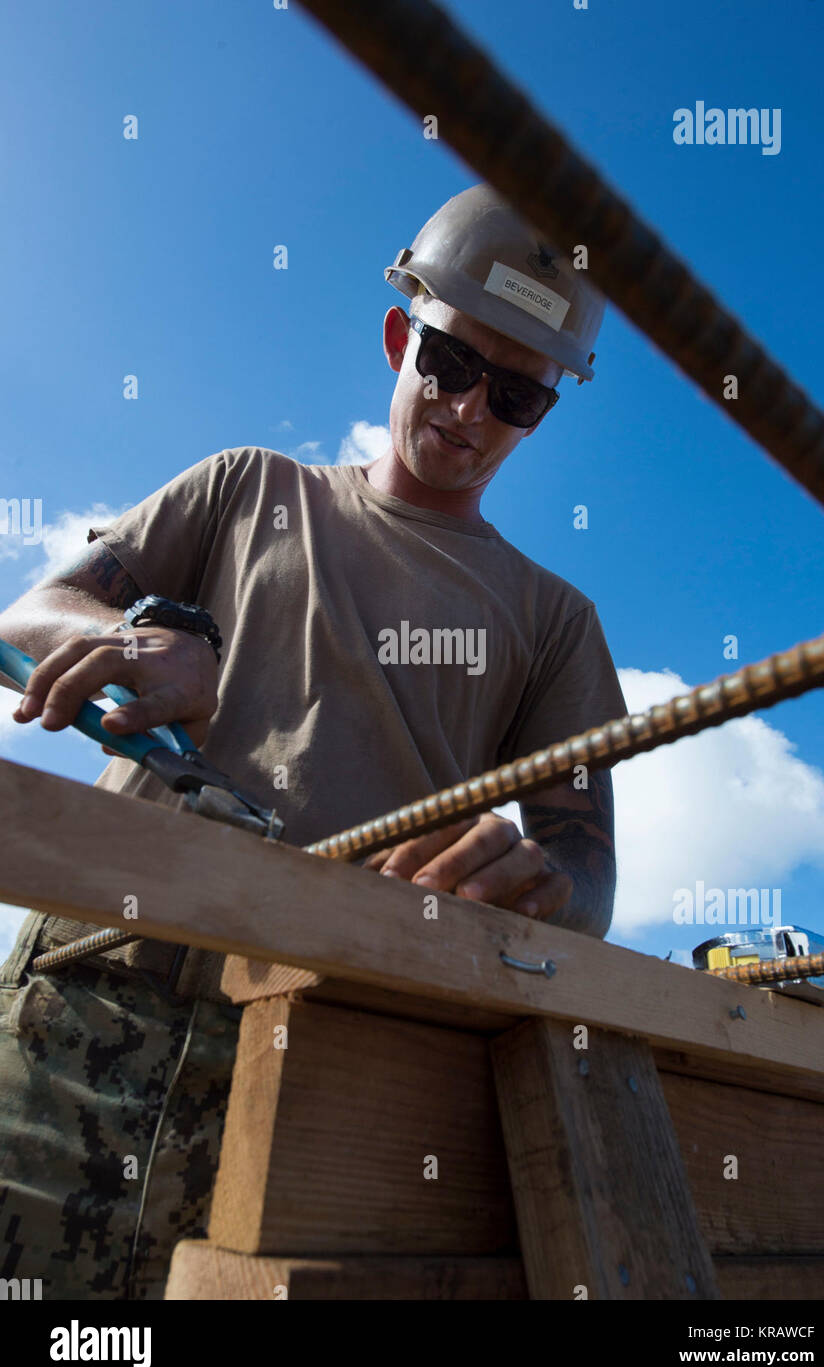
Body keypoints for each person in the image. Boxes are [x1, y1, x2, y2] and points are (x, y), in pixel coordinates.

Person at [0, 184, 627, 1300]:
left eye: (518, 394)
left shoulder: (555, 623)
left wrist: (539, 887)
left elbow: (588, 870)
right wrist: (147, 639)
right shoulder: (249, 488)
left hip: (331, 1048)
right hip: (91, 1000)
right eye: (450, 362)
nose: (470, 410)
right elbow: (28, 616)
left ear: (543, 411)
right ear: (401, 333)